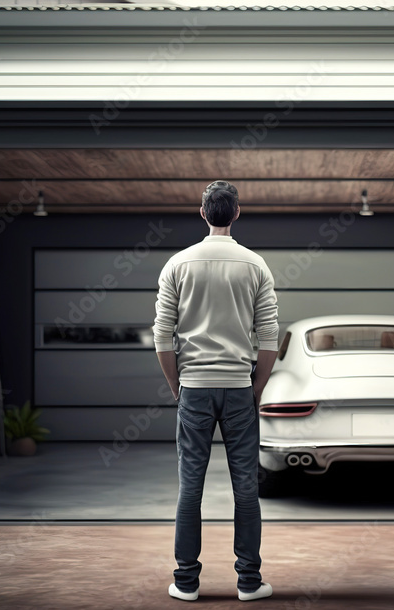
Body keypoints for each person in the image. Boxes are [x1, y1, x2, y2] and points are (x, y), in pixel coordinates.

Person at [153, 180, 279, 603]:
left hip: (195, 389)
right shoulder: (255, 265)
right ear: (237, 213)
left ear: (203, 213)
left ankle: (186, 583)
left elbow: (162, 336)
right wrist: (255, 387)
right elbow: (269, 338)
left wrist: (177, 384)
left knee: (191, 487)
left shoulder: (178, 264)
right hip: (240, 388)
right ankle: (249, 583)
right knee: (246, 487)